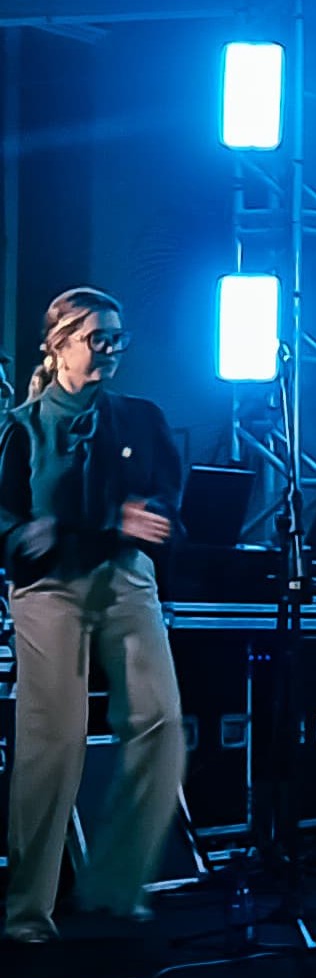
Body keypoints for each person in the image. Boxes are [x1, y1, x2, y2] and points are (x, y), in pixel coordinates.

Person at [0, 289, 186, 943]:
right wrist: (21, 537)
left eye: (116, 338)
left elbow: (168, 493)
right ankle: (28, 911)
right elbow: (8, 518)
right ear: (59, 343)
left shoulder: (140, 418)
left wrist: (151, 517)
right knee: (53, 742)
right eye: (96, 337)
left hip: (125, 575)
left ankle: (117, 883)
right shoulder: (22, 426)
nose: (109, 349)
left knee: (161, 720)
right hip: (51, 587)